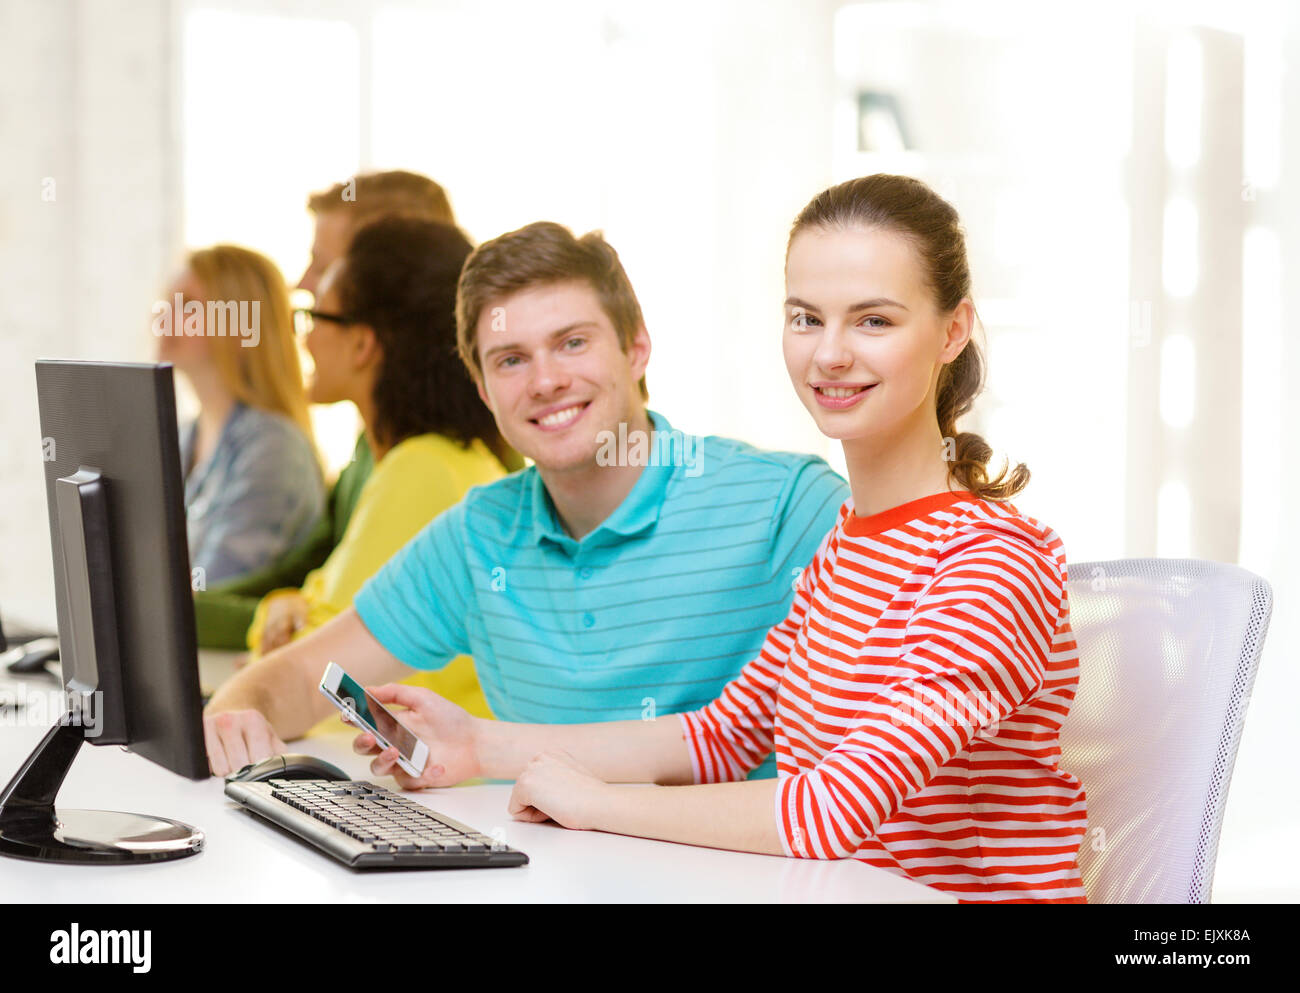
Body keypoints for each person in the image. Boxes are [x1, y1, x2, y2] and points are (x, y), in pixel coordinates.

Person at [348, 175, 1089, 904]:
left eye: (873, 321)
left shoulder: (992, 562)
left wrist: (597, 801)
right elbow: (722, 735)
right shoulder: (849, 545)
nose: (829, 354)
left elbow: (828, 809)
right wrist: (480, 746)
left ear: (952, 330)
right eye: (806, 318)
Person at [202, 220, 848, 779]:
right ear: (482, 389)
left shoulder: (789, 507)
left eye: (573, 342)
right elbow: (299, 676)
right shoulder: (479, 535)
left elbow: (860, 764)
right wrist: (239, 714)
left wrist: (484, 750)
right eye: (511, 359)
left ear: (636, 347)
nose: (546, 380)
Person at [242, 216, 510, 720]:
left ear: (363, 344)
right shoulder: (419, 463)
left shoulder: (422, 471)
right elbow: (302, 617)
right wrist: (281, 606)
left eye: (315, 318)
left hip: (422, 782)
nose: (305, 340)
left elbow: (309, 672)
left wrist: (282, 617)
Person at [195, 170, 467, 649]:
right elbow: (310, 582)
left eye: (325, 270)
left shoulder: (429, 466)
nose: (301, 285)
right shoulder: (374, 447)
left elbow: (329, 646)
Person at [157, 245, 324, 586]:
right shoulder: (182, 436)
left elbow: (209, 593)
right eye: (166, 303)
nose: (164, 318)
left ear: (244, 326)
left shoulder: (274, 447)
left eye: (187, 305)